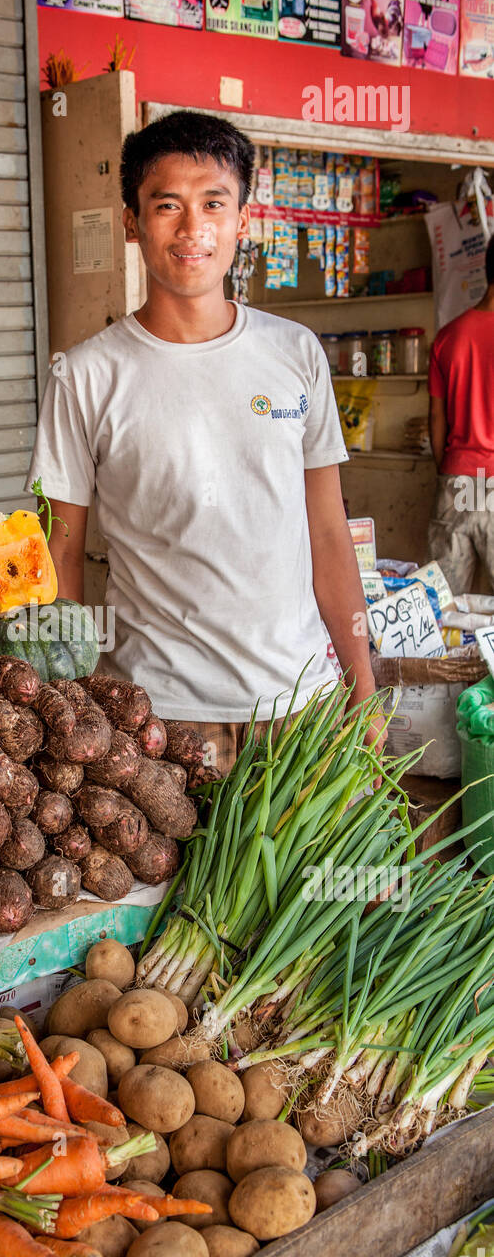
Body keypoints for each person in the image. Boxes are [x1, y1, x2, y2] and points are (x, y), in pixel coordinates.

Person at [25, 111, 380, 773]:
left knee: (314, 874)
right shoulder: (85, 375)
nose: (193, 230)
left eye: (214, 204)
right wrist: (63, 700)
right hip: (161, 712)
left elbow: (327, 529)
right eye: (167, 206)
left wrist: (361, 683)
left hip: (303, 702)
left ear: (243, 221)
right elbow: (60, 548)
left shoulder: (295, 353)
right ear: (131, 222)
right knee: (183, 880)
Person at [426, 234, 494, 596]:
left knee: (446, 603)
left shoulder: (448, 336)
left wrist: (447, 470)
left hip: (456, 479)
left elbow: (437, 418)